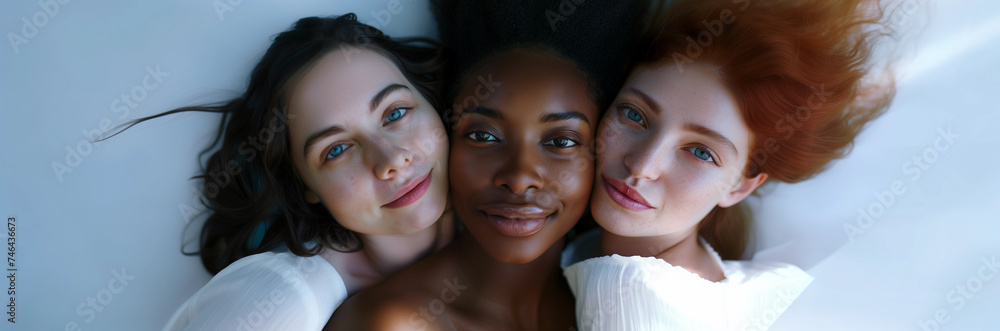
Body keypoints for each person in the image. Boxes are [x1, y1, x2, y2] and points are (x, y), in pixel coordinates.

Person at [102, 14, 455, 330]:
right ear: (306, 184)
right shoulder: (282, 302)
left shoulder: (500, 214)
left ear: (432, 104)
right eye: (336, 149)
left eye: (395, 113)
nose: (390, 159)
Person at [561, 0, 898, 329]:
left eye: (701, 152)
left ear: (739, 186)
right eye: (634, 115)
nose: (641, 165)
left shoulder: (628, 296)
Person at [326, 1, 645, 330]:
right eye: (483, 136)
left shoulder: (615, 311)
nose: (519, 178)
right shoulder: (391, 323)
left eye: (561, 142)